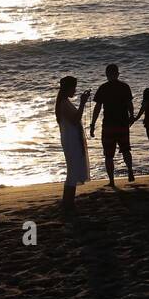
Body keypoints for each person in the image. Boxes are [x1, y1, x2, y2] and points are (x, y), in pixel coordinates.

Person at [90, 63, 136, 186]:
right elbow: (129, 104)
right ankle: (130, 170)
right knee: (126, 150)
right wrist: (132, 116)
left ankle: (111, 181)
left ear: (106, 75)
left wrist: (92, 124)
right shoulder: (125, 87)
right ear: (118, 74)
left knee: (109, 155)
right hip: (122, 124)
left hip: (109, 125)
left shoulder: (103, 88)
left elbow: (97, 108)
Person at [56, 76, 91, 211]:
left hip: (71, 138)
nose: (75, 90)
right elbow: (76, 119)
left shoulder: (64, 102)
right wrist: (82, 103)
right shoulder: (64, 103)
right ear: (68, 88)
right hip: (71, 140)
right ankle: (68, 202)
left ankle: (68, 202)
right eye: (73, 87)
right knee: (72, 171)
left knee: (73, 170)